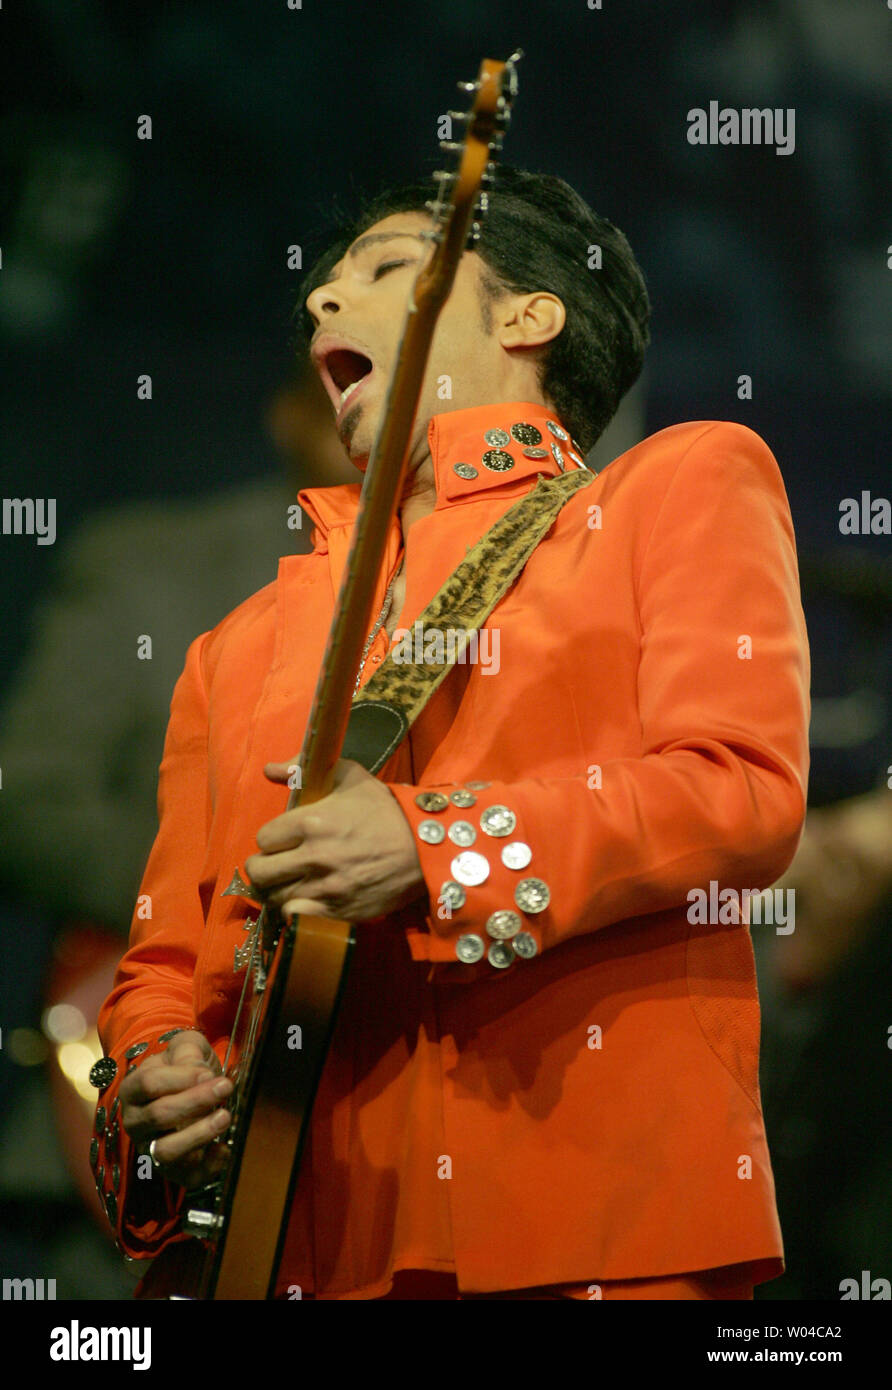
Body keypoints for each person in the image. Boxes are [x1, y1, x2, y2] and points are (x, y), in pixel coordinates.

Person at [92, 168, 810, 1300]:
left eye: (383, 269)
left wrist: (434, 847)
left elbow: (738, 790)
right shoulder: (235, 645)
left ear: (531, 314)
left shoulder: (676, 485)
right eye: (321, 289)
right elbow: (167, 956)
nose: (323, 301)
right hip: (292, 1239)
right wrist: (156, 1061)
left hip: (594, 1223)